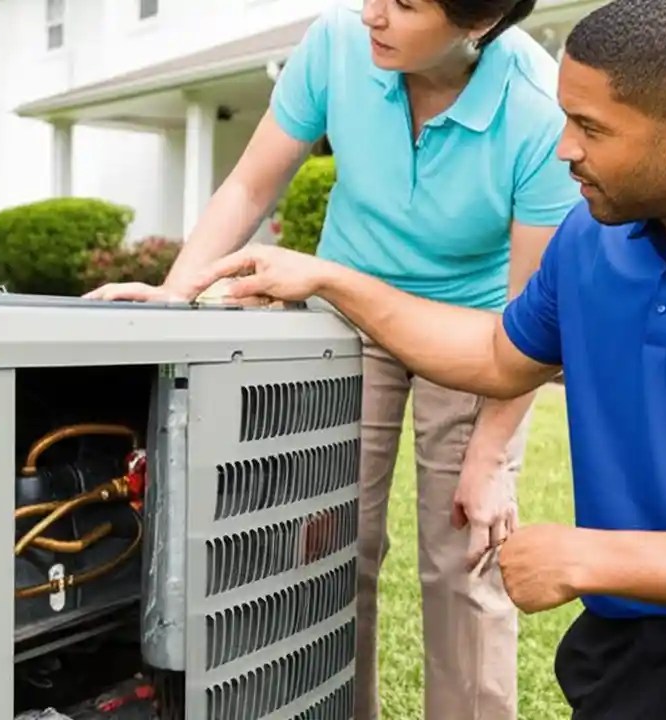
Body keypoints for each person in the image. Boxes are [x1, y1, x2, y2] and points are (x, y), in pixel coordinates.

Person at [165, 0, 666, 718]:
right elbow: (495, 354)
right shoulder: (595, 240)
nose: (563, 145)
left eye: (591, 128)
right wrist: (332, 277)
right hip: (632, 636)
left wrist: (592, 555)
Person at [84, 0, 583, 717]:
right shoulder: (336, 46)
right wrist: (174, 293)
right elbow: (252, 185)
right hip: (348, 315)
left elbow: (532, 313)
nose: (373, 14)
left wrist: (489, 453)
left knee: (462, 563)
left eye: (405, 4)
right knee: (326, 549)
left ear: (478, 22)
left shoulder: (536, 109)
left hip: (473, 333)